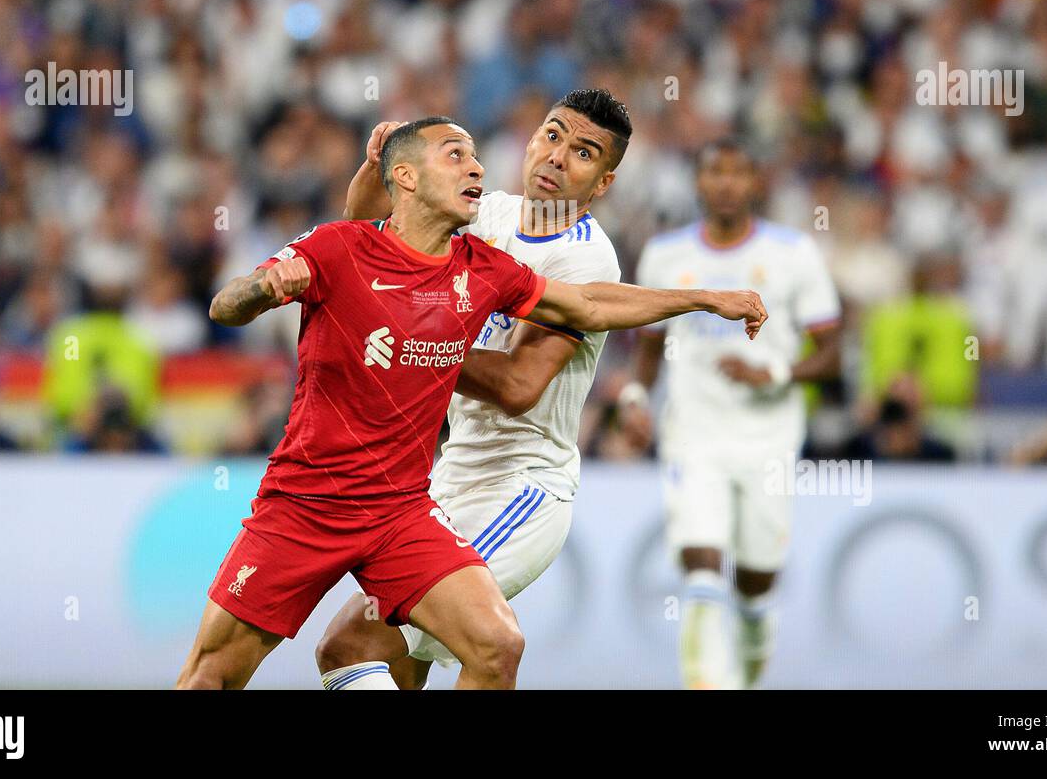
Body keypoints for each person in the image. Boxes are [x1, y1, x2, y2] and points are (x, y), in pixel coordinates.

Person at [176, 117, 767, 690]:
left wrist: (705, 298)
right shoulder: (450, 223)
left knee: (451, 645)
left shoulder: (496, 265)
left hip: (465, 492)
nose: (478, 167)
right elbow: (246, 296)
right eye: (456, 155)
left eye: (583, 153)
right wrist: (260, 289)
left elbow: (576, 318)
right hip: (314, 499)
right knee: (217, 675)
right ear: (406, 178)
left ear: (604, 181)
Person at [315, 89, 628, 690]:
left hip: (522, 486)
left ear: (603, 182)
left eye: (583, 153)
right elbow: (366, 245)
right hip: (445, 477)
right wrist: (376, 169)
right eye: (554, 135)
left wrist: (411, 337)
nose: (558, 157)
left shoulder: (585, 261)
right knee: (396, 666)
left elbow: (517, 384)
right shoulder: (484, 213)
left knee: (352, 644)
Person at [624, 138, 841, 690]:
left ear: (755, 182)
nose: (725, 183)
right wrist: (633, 400)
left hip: (769, 440)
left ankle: (744, 679)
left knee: (755, 585)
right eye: (713, 171)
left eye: (736, 172)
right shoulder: (666, 256)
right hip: (693, 435)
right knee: (701, 564)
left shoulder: (794, 254)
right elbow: (648, 351)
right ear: (698, 182)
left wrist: (778, 374)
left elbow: (833, 355)